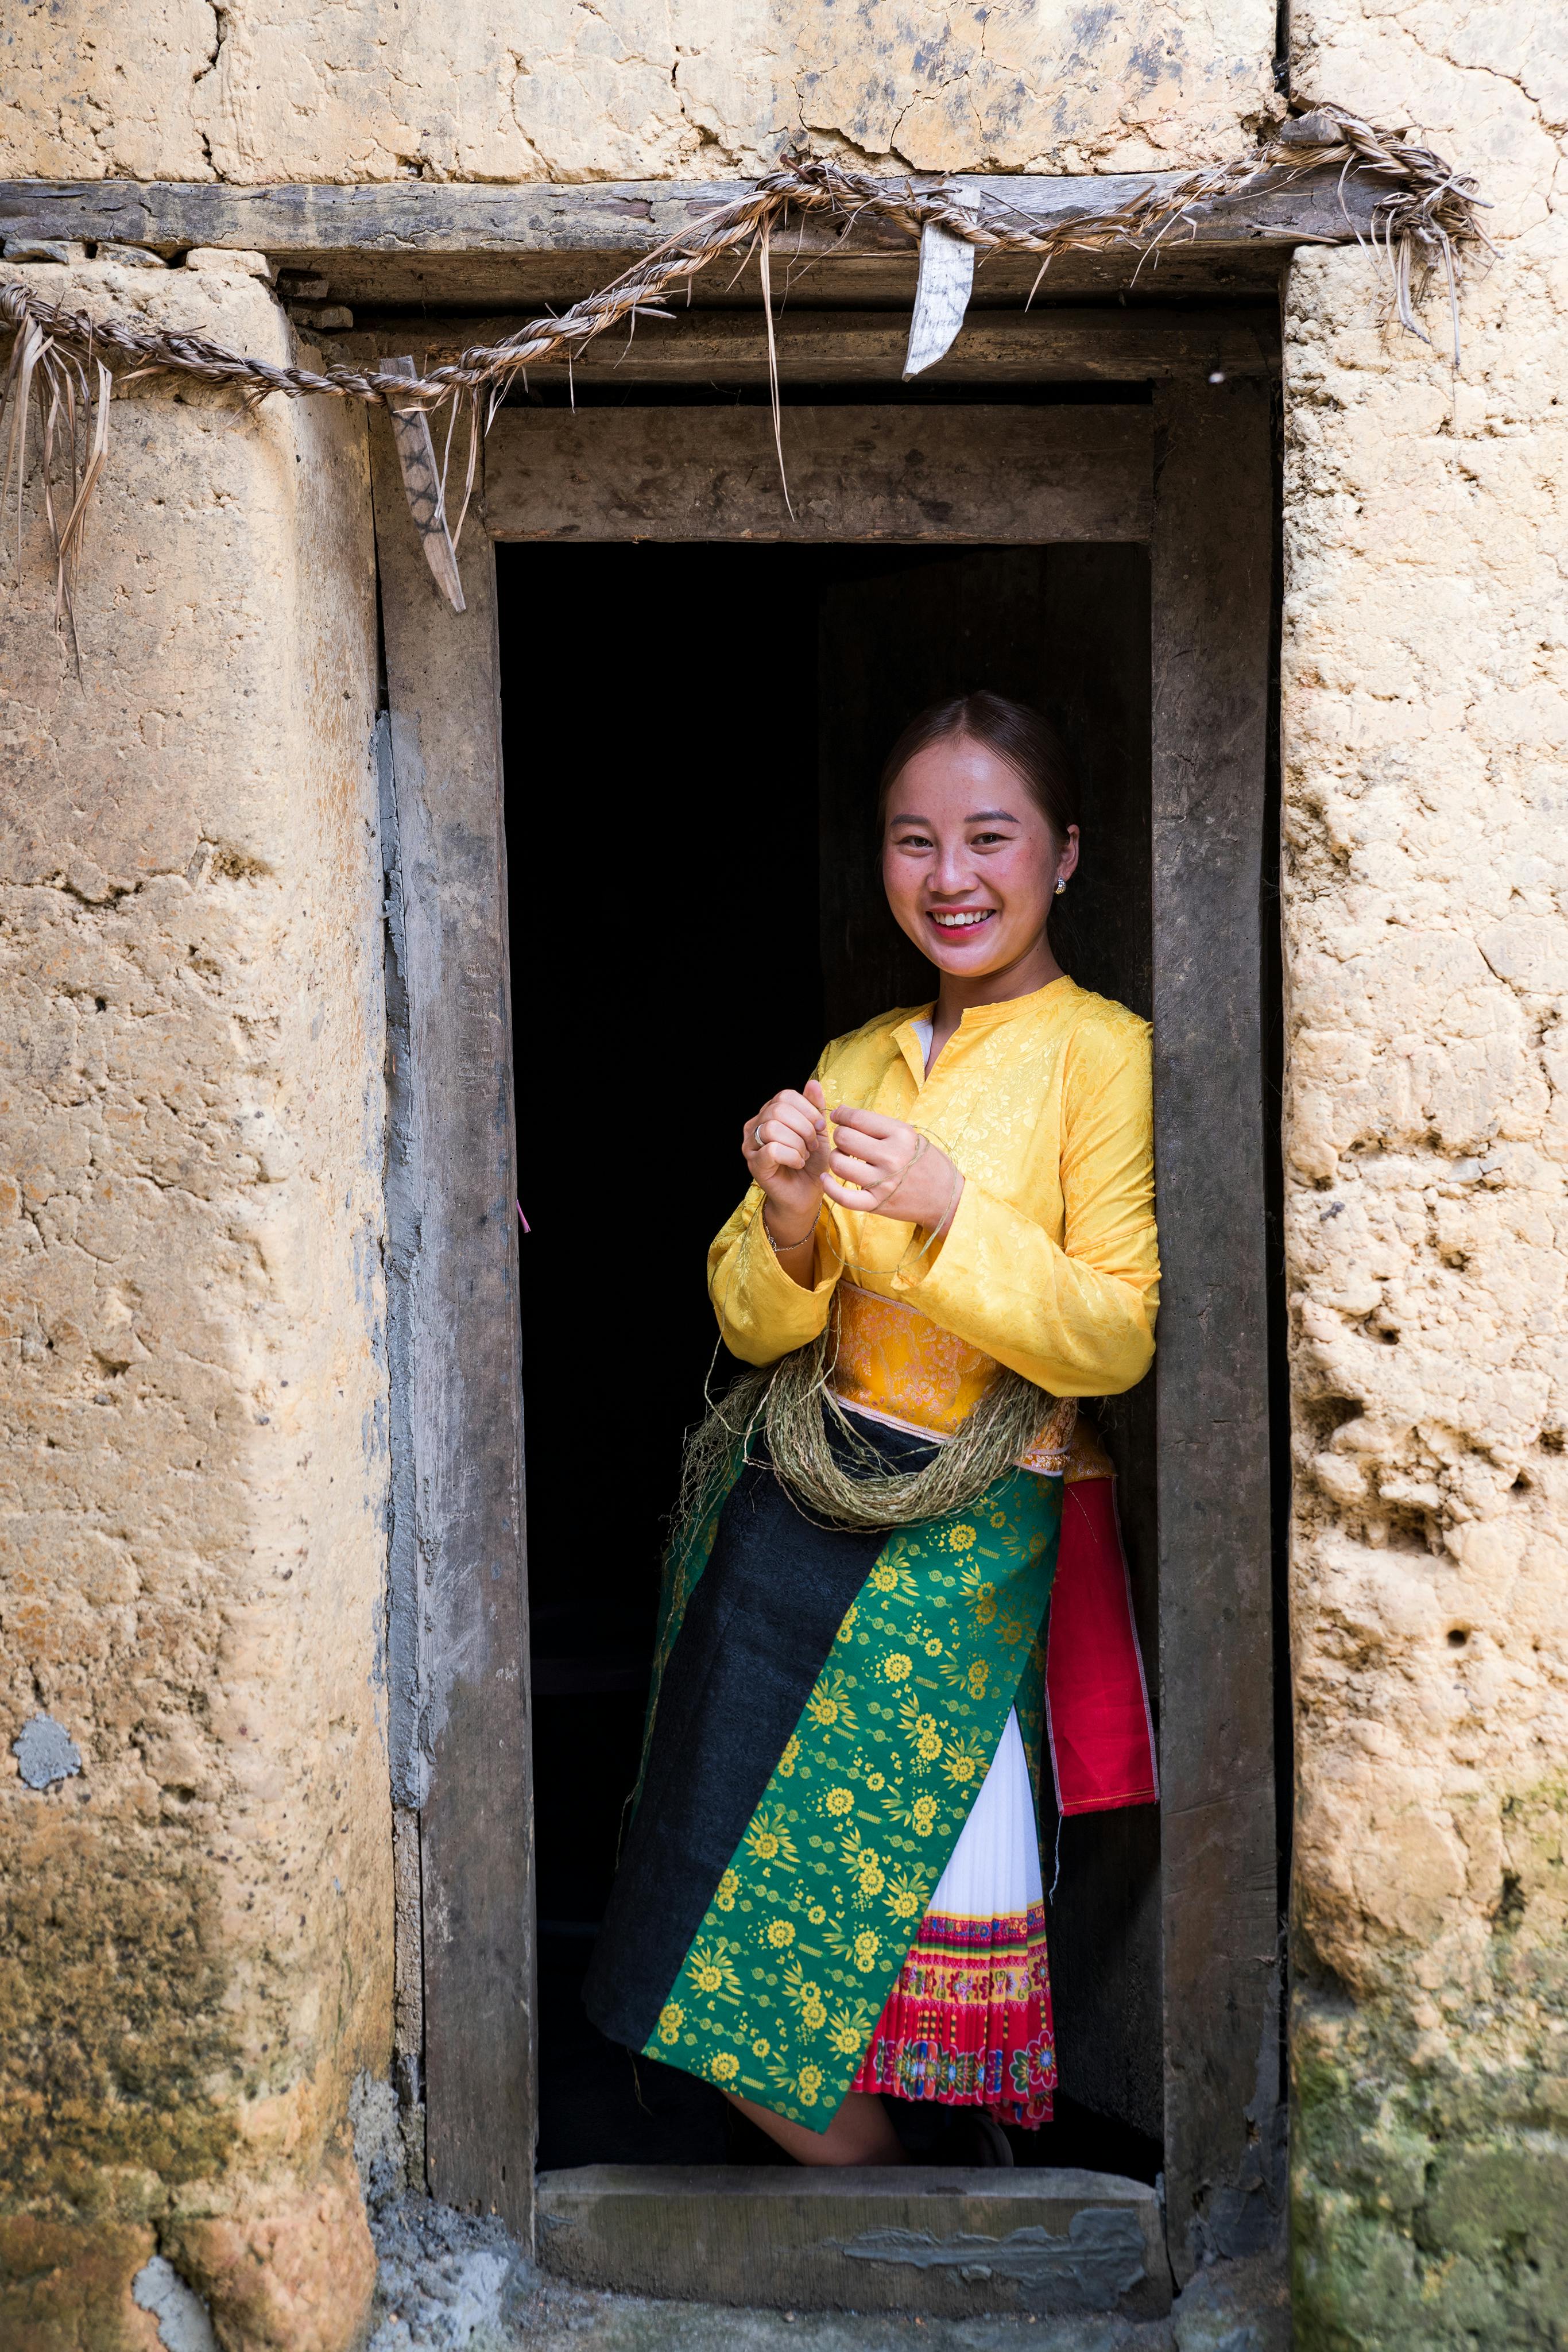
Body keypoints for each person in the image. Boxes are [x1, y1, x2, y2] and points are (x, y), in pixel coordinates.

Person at [584, 691, 1159, 2165]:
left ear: (1067, 853)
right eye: (917, 840)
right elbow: (755, 1322)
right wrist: (787, 1211)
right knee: (710, 1948)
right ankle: (876, 2219)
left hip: (959, 1549)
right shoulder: (852, 1057)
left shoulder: (1100, 1054)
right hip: (793, 1518)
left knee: (858, 1929)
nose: (951, 876)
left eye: (990, 835)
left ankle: (925, 2223)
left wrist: (950, 1210)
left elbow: (1116, 1333)